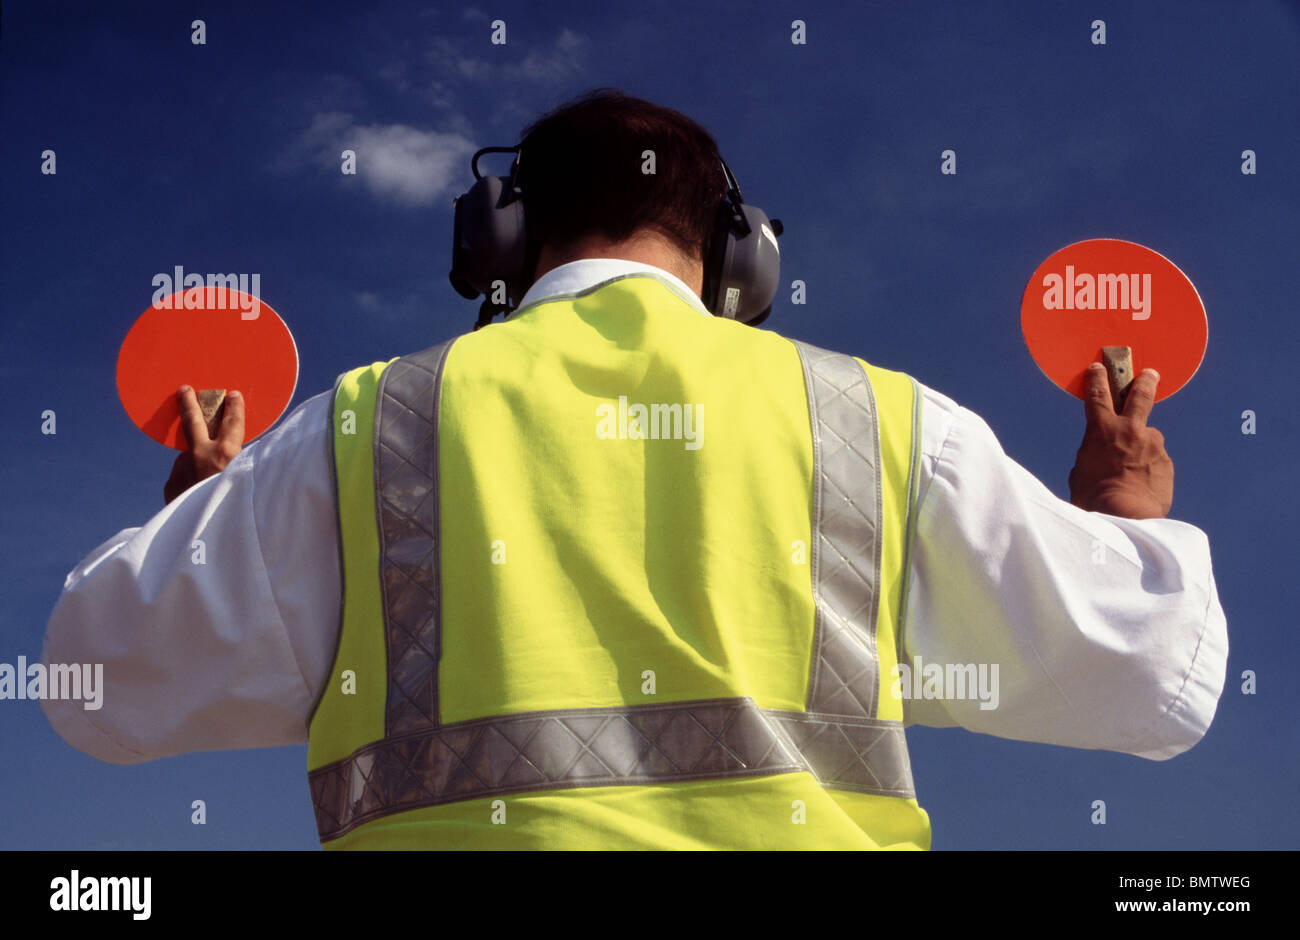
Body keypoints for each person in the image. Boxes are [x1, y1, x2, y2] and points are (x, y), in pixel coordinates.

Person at [40, 88, 1227, 850]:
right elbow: (1145, 681)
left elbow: (96, 682)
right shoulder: (879, 421)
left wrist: (201, 514)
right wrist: (1127, 515)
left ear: (498, 241)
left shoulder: (366, 427)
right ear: (738, 262)